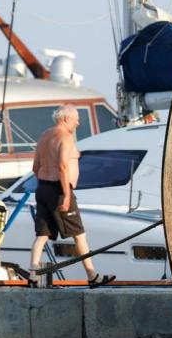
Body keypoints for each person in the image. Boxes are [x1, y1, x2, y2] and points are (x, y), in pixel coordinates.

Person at [29, 104, 115, 287]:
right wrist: (66, 195)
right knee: (79, 235)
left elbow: (35, 168)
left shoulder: (45, 135)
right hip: (59, 189)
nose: (78, 122)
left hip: (43, 188)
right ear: (66, 118)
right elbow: (62, 166)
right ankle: (93, 276)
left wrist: (44, 186)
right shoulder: (65, 137)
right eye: (76, 119)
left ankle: (33, 275)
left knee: (42, 235)